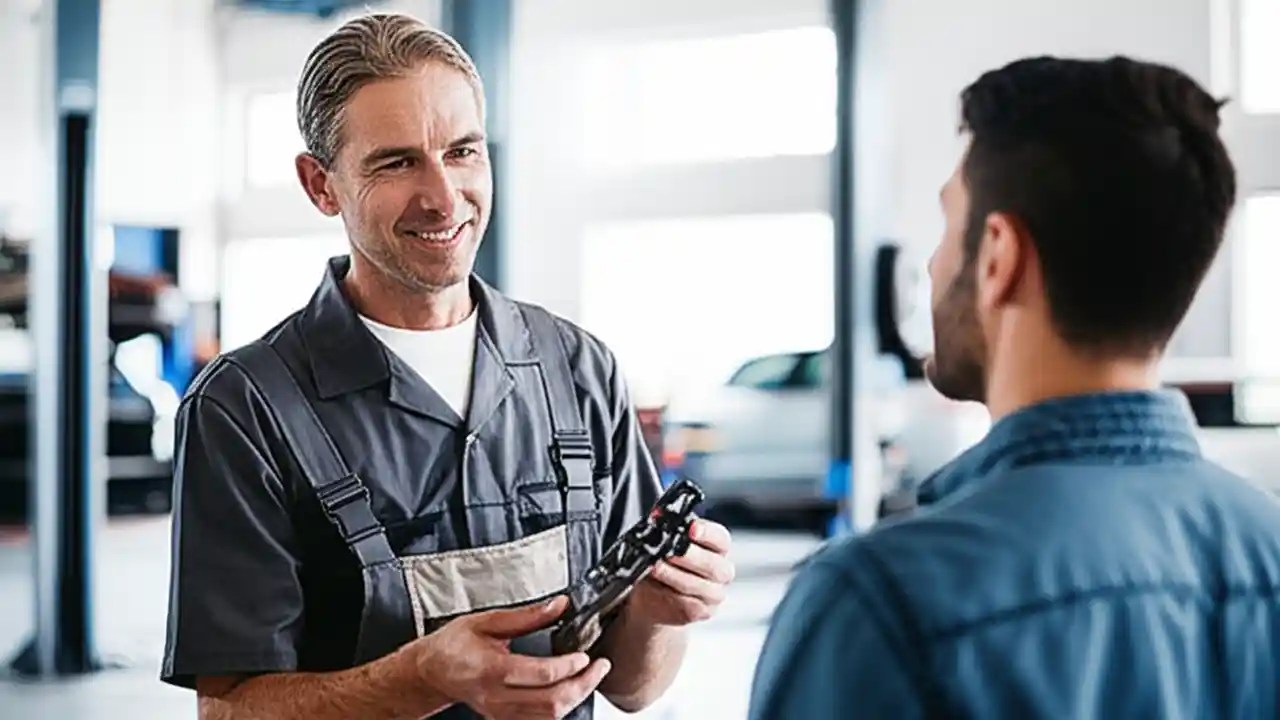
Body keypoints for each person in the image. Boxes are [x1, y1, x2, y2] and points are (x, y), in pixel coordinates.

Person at [161, 14, 735, 720]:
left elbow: (633, 687)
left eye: (462, 151)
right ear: (320, 185)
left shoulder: (578, 370)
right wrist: (420, 680)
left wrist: (662, 610)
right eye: (397, 162)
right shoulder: (245, 410)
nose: (442, 196)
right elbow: (228, 714)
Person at [749, 56, 1280, 718]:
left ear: (998, 256)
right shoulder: (1269, 550)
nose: (935, 265)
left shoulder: (881, 601)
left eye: (948, 226)